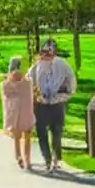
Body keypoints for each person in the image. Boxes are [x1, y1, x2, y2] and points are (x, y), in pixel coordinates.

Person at [26, 38, 77, 172]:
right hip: (40, 105)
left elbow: (71, 84)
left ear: (54, 53)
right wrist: (36, 96)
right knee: (41, 133)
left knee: (56, 133)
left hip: (57, 104)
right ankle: (47, 159)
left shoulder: (63, 65)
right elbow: (28, 83)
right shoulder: (35, 67)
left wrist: (62, 96)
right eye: (43, 53)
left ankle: (56, 158)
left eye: (49, 53)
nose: (46, 56)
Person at [0, 56, 35, 170]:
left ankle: (19, 156)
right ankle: (27, 160)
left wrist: (7, 78)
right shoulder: (27, 83)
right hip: (27, 113)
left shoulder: (5, 84)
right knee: (27, 137)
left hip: (14, 114)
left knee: (17, 136)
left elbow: (7, 99)